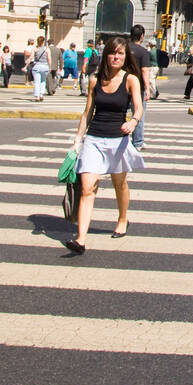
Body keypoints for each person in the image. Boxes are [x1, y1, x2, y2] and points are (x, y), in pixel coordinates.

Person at [66, 36, 145, 255]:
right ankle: (81, 239)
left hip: (117, 140)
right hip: (94, 139)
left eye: (120, 53)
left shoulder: (131, 80)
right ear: (106, 55)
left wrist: (133, 121)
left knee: (119, 184)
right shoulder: (95, 80)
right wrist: (78, 139)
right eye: (113, 53)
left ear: (125, 56)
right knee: (87, 187)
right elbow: (87, 112)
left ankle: (122, 219)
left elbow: (138, 108)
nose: (116, 57)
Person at [127, 25, 151, 150]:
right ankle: (138, 142)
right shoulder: (143, 52)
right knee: (138, 113)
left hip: (122, 86)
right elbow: (145, 71)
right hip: (138, 87)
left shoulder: (123, 49)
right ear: (142, 36)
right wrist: (147, 88)